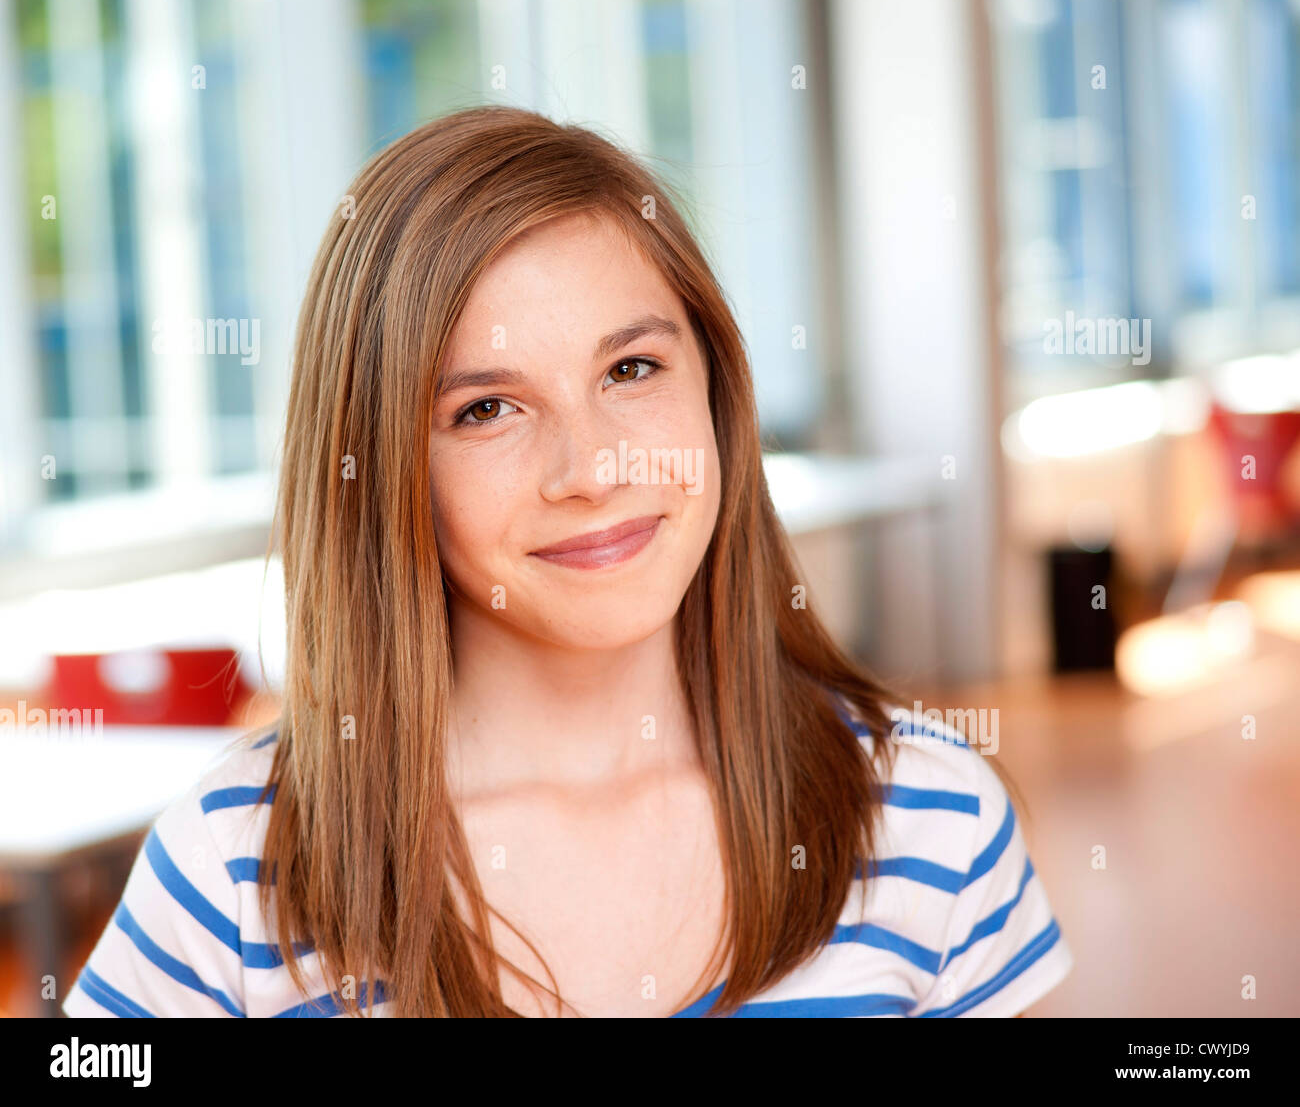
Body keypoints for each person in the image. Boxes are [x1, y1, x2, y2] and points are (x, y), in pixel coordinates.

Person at [62, 106, 1072, 1018]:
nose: (592, 469)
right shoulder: (233, 869)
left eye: (631, 369)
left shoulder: (927, 816)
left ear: (716, 394)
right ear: (376, 467)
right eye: (485, 409)